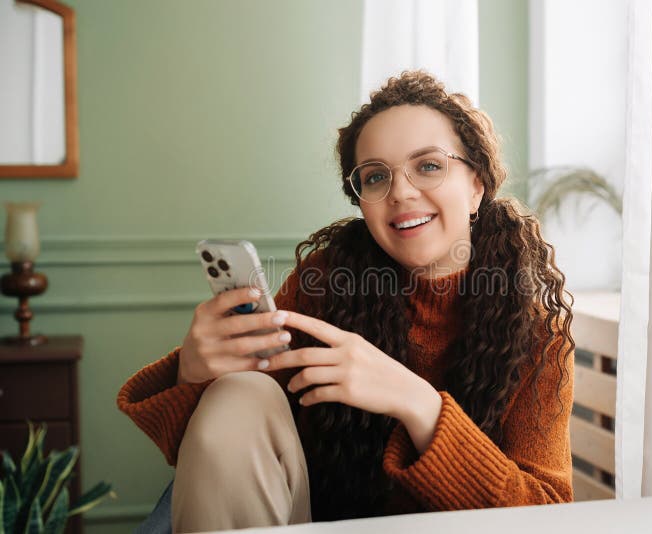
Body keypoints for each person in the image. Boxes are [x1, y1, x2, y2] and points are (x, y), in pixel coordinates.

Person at [117, 70, 576, 533]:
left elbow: (548, 516)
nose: (400, 191)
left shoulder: (538, 336)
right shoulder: (324, 283)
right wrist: (194, 374)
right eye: (376, 177)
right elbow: (219, 455)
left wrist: (418, 404)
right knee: (239, 392)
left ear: (476, 185)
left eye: (429, 165)